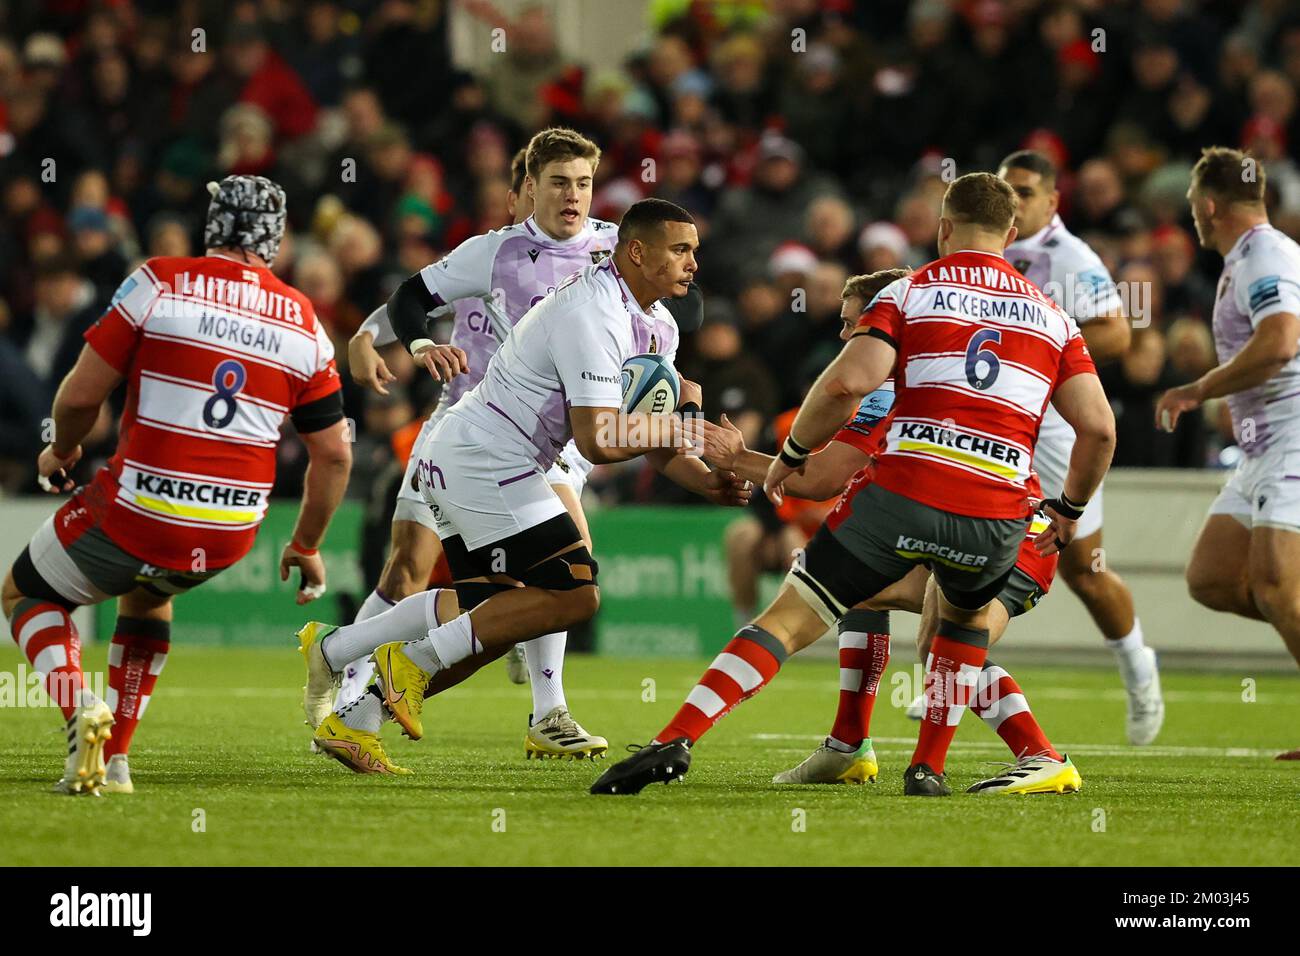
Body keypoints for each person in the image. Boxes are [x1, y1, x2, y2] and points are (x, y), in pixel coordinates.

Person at [590, 173, 1115, 797]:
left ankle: (676, 737)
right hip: (1003, 513)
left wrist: (783, 453)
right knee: (953, 626)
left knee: (793, 616)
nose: (845, 332)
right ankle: (919, 766)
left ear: (943, 228)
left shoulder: (912, 293)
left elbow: (845, 389)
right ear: (1011, 232)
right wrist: (1071, 508)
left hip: (910, 492)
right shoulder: (1055, 317)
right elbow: (1101, 429)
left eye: (850, 323)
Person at [305, 198, 748, 774]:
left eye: (695, 251)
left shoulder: (658, 324)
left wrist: (707, 482)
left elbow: (652, 443)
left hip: (485, 458)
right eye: (681, 249)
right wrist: (688, 422)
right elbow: (599, 441)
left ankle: (351, 709)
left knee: (490, 616)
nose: (694, 263)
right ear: (637, 252)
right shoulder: (593, 311)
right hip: (486, 458)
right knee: (574, 593)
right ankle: (406, 667)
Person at [2, 175, 351, 795]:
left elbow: (83, 395)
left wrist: (61, 447)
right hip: (229, 533)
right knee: (147, 592)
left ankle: (80, 705)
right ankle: (115, 764)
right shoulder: (307, 324)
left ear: (212, 225)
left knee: (25, 594)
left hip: (140, 509)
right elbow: (334, 456)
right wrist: (306, 542)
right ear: (275, 240)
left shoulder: (159, 282)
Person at [699, 270, 1078, 795]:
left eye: (852, 322)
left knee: (943, 641)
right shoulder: (928, 377)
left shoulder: (898, 388)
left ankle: (1038, 754)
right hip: (999, 525)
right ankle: (848, 745)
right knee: (866, 591)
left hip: (1013, 537)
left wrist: (739, 459)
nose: (844, 335)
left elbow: (823, 477)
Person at [985, 149, 1163, 745]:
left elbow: (1118, 330)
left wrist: (1045, 341)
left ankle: (1139, 668)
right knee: (971, 534)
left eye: (1028, 191)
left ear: (1054, 201)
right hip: (999, 419)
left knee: (1086, 568)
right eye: (1008, 189)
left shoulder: (1071, 257)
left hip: (1058, 429)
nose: (1017, 199)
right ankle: (956, 665)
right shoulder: (992, 247)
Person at [1155, 147, 1300, 761]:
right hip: (1259, 451)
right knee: (1212, 578)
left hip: (1294, 436)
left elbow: (1281, 341)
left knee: (1274, 586)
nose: (1193, 216)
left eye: (1192, 206)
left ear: (1208, 205)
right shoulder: (1245, 258)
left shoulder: (1266, 253)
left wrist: (1200, 388)